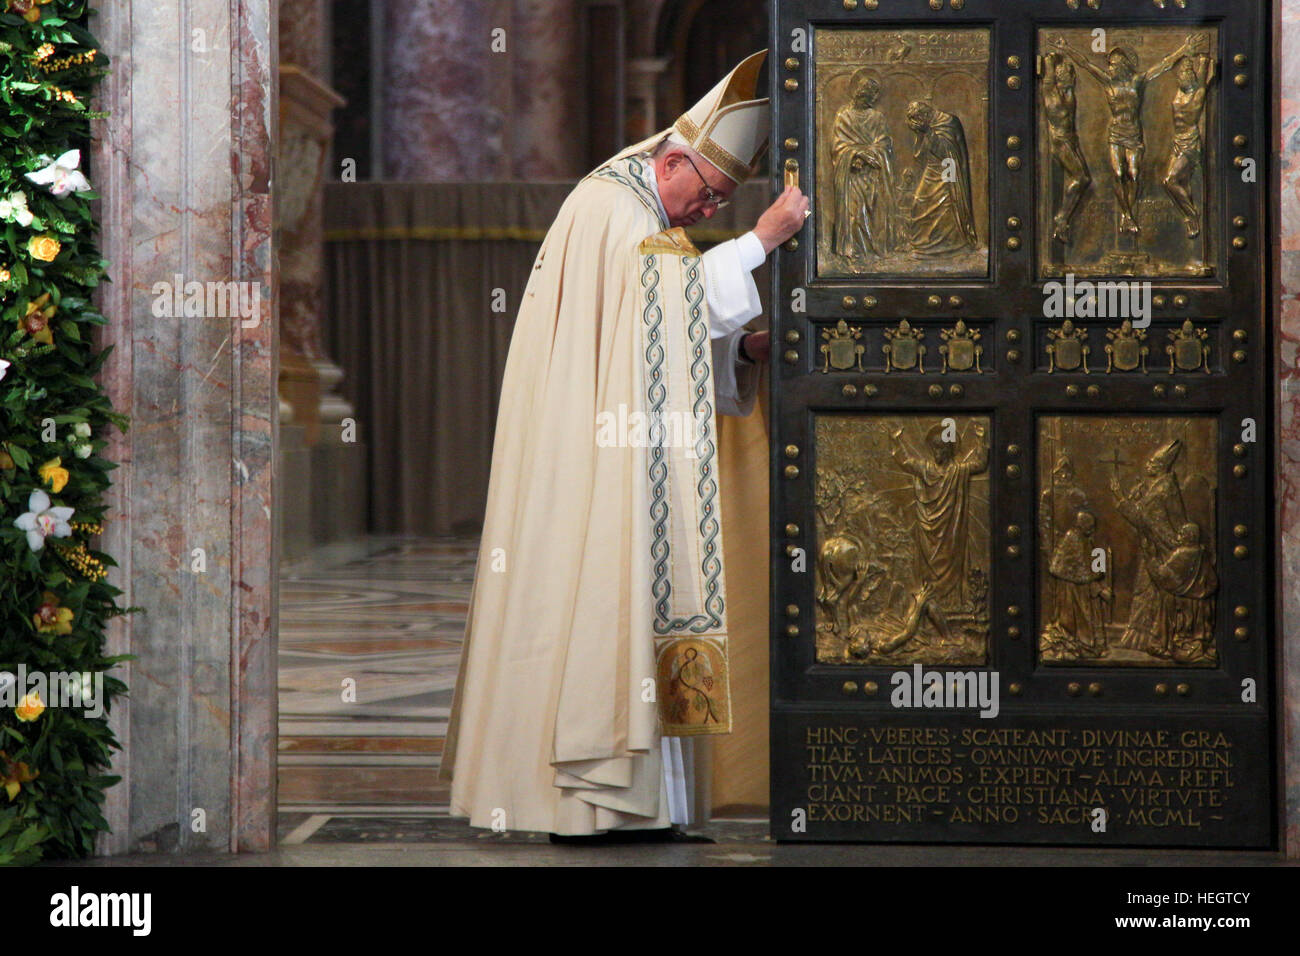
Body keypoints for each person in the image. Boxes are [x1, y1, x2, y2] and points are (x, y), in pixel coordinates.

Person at [440, 51, 809, 843]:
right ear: (671, 161)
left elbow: (654, 337)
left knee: (643, 601)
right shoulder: (613, 206)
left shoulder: (641, 210)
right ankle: (593, 803)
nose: (707, 210)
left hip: (624, 447)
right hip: (598, 462)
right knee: (610, 597)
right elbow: (663, 305)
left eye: (719, 201)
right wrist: (762, 238)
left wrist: (738, 354)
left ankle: (649, 807)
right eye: (706, 193)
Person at [830, 73, 899, 261]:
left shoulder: (877, 117)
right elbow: (839, 147)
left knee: (874, 211)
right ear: (861, 93)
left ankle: (874, 250)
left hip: (873, 174)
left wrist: (867, 155)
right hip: (852, 174)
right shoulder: (843, 117)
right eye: (872, 93)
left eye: (876, 94)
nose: (875, 98)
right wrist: (855, 154)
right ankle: (855, 251)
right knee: (855, 212)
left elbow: (884, 144)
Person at [903, 101, 978, 257]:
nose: (916, 122)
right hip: (932, 168)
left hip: (948, 168)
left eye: (916, 118)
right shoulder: (928, 124)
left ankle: (951, 246)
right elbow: (920, 155)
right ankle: (923, 244)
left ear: (924, 115)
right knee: (919, 202)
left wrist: (928, 131)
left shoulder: (948, 121)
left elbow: (947, 152)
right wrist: (920, 133)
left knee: (946, 203)